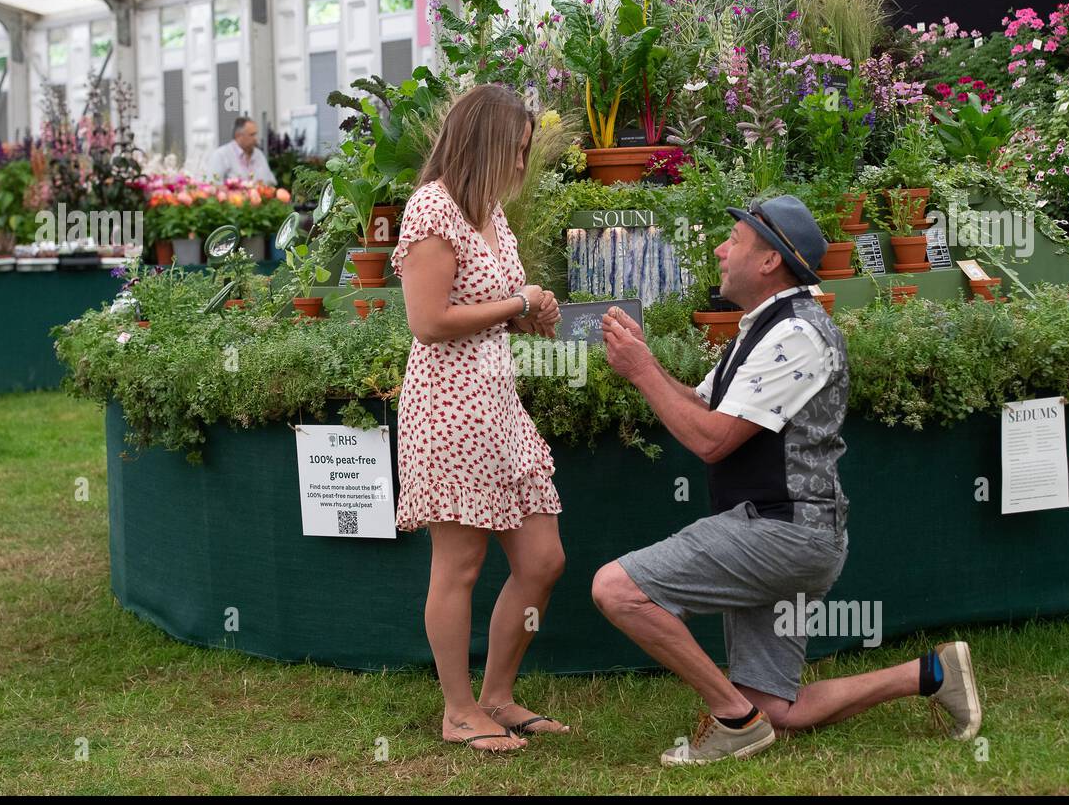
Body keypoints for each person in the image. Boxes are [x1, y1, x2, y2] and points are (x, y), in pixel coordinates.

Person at [592, 195, 982, 765]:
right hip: (785, 532)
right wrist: (642, 359)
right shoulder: (764, 329)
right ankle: (932, 672)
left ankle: (732, 720)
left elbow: (710, 440)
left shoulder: (798, 336)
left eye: (734, 241)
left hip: (784, 534)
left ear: (770, 260)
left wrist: (643, 370)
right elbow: (700, 408)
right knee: (779, 712)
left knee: (617, 588)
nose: (721, 251)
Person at [391, 84, 570, 753]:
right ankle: (458, 710)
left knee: (543, 558)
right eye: (517, 151)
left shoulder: (487, 211)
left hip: (498, 405)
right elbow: (428, 321)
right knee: (458, 565)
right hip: (448, 408)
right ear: (485, 145)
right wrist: (513, 303)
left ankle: (497, 695)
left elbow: (495, 304)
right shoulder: (432, 211)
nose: (522, 165)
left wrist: (533, 312)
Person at [205, 117, 276, 185]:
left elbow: (271, 183)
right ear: (238, 136)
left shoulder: (259, 155)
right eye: (252, 135)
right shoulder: (221, 155)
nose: (255, 139)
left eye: (256, 134)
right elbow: (213, 185)